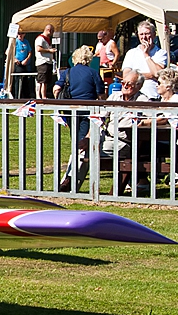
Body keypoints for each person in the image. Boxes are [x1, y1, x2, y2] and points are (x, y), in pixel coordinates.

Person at [61, 70, 148, 192]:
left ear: (138, 86)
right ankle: (67, 185)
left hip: (122, 141)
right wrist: (88, 138)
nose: (125, 86)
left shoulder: (143, 101)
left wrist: (143, 123)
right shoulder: (114, 96)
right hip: (105, 136)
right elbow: (99, 119)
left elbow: (152, 119)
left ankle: (69, 185)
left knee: (89, 152)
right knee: (81, 149)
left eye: (129, 84)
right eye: (123, 82)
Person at [55, 46, 105, 192]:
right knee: (82, 144)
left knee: (77, 142)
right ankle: (70, 178)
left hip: (71, 111)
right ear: (89, 59)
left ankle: (69, 178)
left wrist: (59, 101)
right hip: (88, 112)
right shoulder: (93, 73)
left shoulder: (67, 72)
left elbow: (56, 88)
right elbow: (101, 96)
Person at [122, 20, 167, 100]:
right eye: (141, 34)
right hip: (134, 96)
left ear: (154, 35)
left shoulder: (161, 53)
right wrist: (149, 75)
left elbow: (158, 74)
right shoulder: (131, 53)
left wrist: (146, 55)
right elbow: (126, 77)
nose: (144, 37)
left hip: (152, 96)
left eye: (147, 33)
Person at [34, 24, 57, 100]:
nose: (52, 33)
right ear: (48, 30)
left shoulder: (47, 39)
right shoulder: (40, 38)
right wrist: (49, 51)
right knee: (41, 80)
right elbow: (38, 49)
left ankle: (43, 95)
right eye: (52, 31)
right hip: (42, 62)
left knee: (46, 80)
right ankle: (40, 96)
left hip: (48, 62)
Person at [13, 32, 33, 98]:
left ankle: (26, 96)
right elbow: (8, 52)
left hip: (25, 63)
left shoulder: (26, 42)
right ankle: (17, 96)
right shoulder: (15, 42)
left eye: (22, 34)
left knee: (25, 80)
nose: (20, 35)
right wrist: (15, 59)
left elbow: (30, 52)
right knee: (18, 80)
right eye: (19, 34)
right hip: (17, 64)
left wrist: (26, 59)